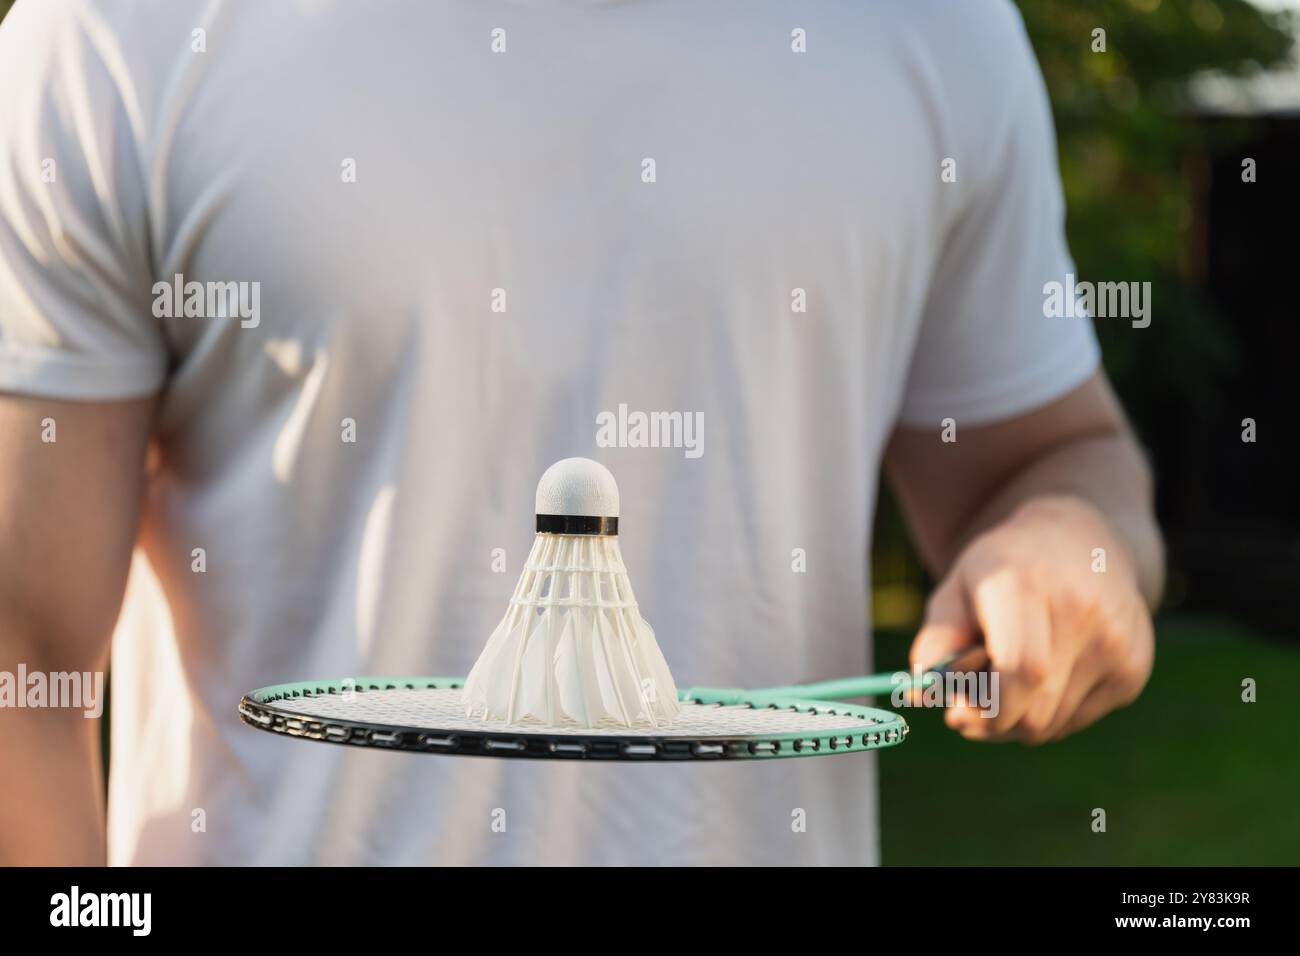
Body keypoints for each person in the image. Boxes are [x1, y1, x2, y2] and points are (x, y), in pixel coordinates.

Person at [0, 0, 1162, 866]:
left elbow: (1053, 456)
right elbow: (22, 664)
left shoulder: (934, 32)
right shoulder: (122, 31)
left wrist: (1074, 535)